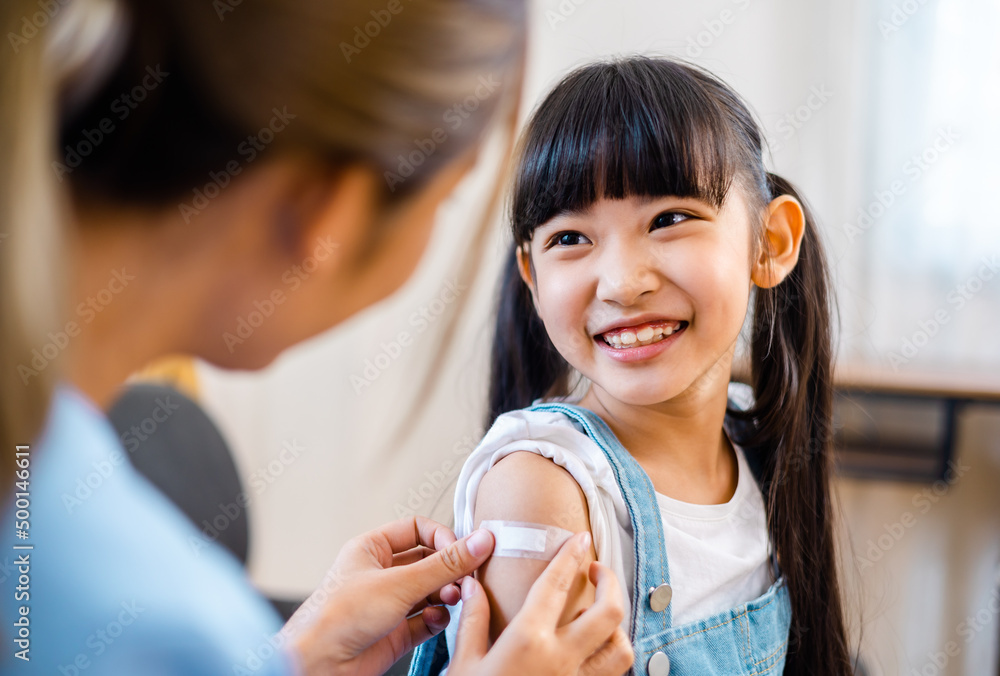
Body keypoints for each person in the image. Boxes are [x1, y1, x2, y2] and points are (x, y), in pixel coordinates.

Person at [0, 0, 634, 674]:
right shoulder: (151, 622)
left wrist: (287, 660)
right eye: (446, 200)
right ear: (330, 209)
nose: (622, 282)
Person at [410, 57, 855, 675]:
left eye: (670, 220)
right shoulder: (543, 489)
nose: (621, 284)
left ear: (769, 243)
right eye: (571, 238)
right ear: (532, 277)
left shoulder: (756, 443)